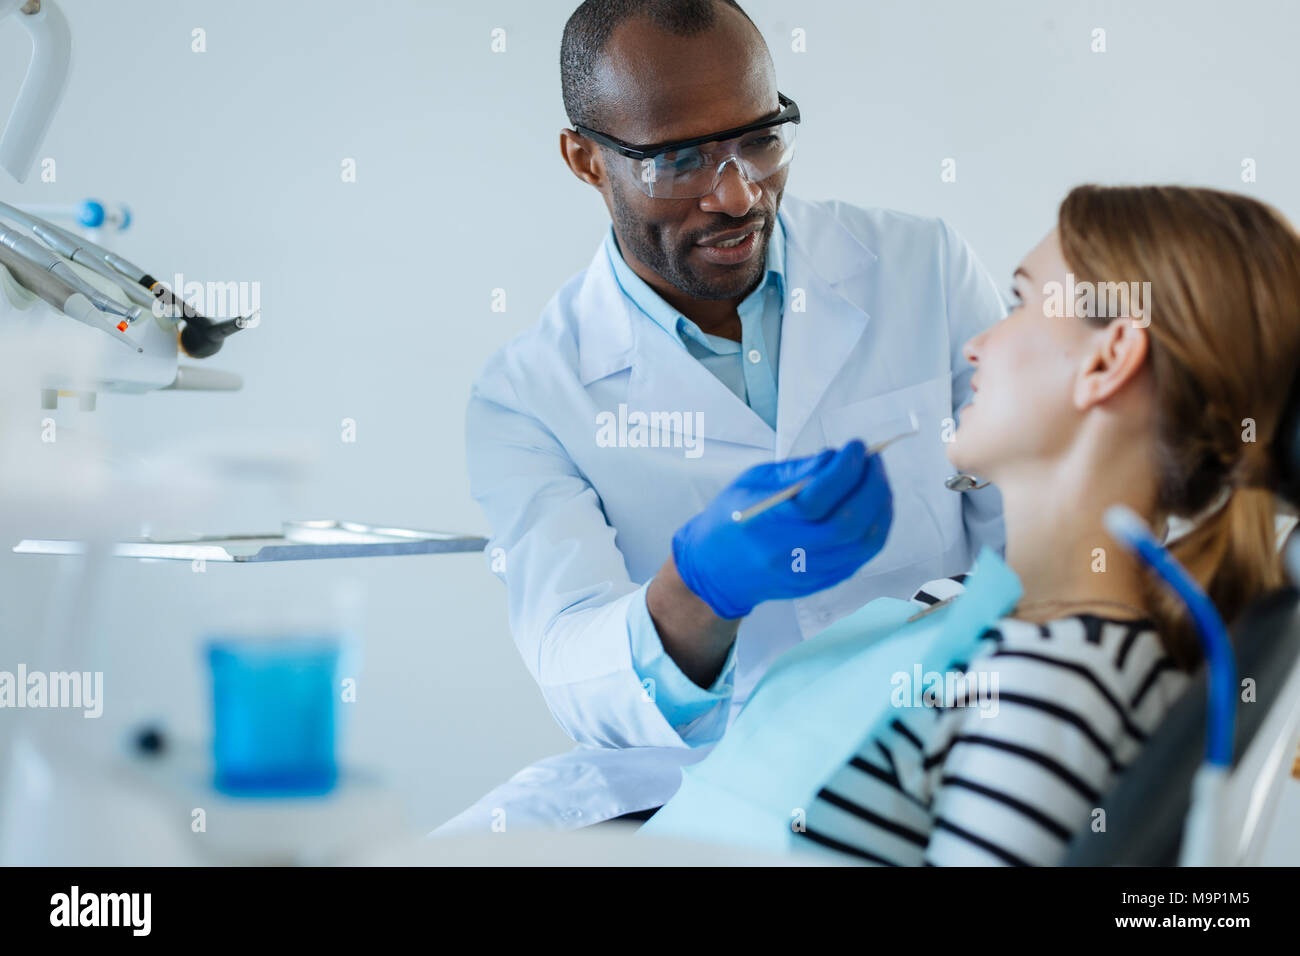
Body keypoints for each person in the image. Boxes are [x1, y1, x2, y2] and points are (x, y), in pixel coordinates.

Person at [458, 0, 1005, 829]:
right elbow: (576, 673)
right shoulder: (530, 395)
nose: (736, 193)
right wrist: (698, 590)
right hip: (698, 788)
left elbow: (1039, 541)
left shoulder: (922, 267)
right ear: (584, 160)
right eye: (678, 159)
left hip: (941, 744)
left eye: (760, 137)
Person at [648, 184, 1300, 865]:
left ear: (1107, 361)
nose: (978, 346)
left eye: (1021, 301)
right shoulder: (969, 610)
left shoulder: (1059, 678)